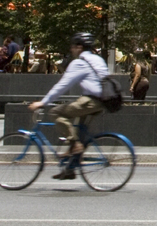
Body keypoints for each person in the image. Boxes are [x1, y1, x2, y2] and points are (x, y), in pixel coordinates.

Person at [28, 33, 108, 180]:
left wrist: (43, 102)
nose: (71, 49)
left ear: (79, 47)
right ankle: (70, 169)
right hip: (103, 101)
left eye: (72, 46)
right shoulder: (97, 59)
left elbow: (63, 85)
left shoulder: (79, 63)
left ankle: (74, 145)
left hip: (91, 100)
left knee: (56, 113)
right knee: (79, 133)